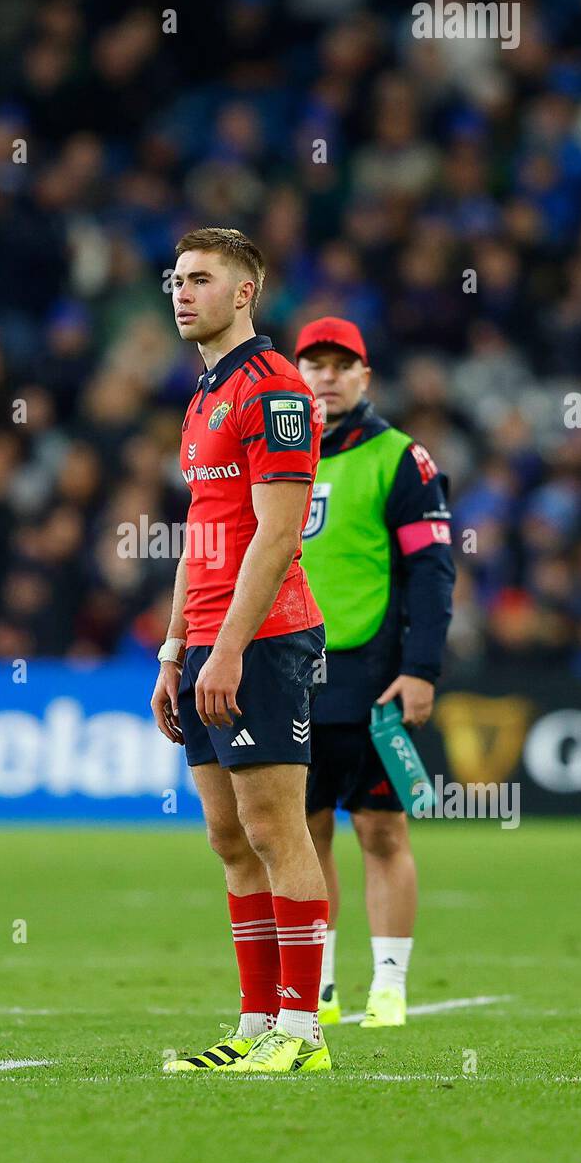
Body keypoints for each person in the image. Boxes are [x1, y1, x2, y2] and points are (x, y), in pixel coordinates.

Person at [151, 227, 330, 1075]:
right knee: (228, 837)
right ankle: (259, 1022)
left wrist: (225, 649)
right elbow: (203, 532)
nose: (182, 293)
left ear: (245, 292)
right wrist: (176, 647)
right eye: (175, 280)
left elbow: (278, 532)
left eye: (201, 279)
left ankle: (306, 1032)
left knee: (273, 828)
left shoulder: (276, 390)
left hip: (263, 637)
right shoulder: (203, 394)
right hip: (210, 641)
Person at [294, 317, 455, 1027]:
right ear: (294, 376)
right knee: (300, 832)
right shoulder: (272, 459)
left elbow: (432, 570)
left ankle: (388, 985)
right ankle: (320, 985)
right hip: (288, 670)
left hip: (372, 676)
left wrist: (421, 668)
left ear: (365, 378)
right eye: (313, 364)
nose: (326, 377)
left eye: (341, 365)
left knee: (381, 830)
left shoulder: (401, 459)